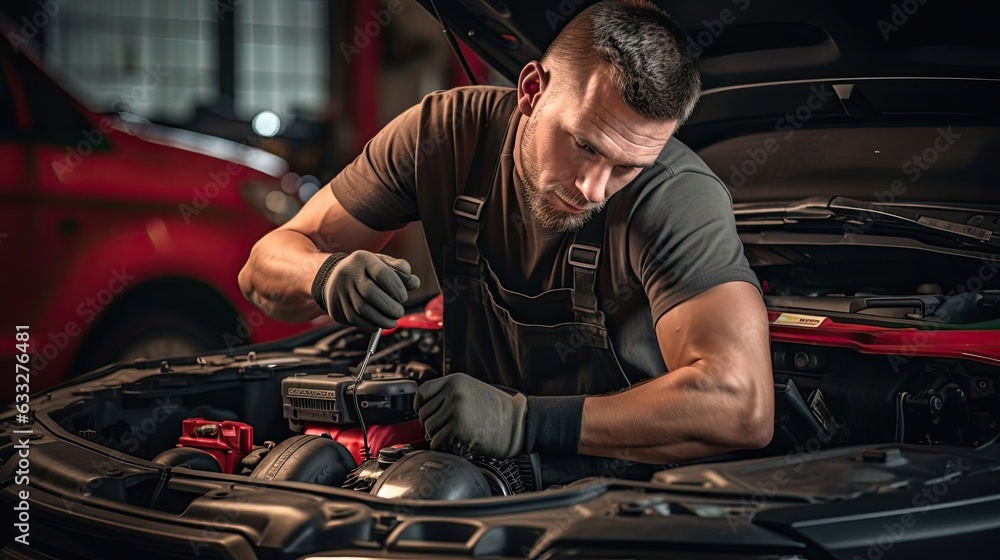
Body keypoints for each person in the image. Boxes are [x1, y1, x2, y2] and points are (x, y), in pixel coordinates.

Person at [239, 0, 773, 478]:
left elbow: (741, 406)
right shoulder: (442, 135)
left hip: (621, 494)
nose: (593, 189)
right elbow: (263, 268)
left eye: (626, 167)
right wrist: (325, 274)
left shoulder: (678, 196)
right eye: (584, 145)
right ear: (532, 90)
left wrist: (528, 422)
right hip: (475, 469)